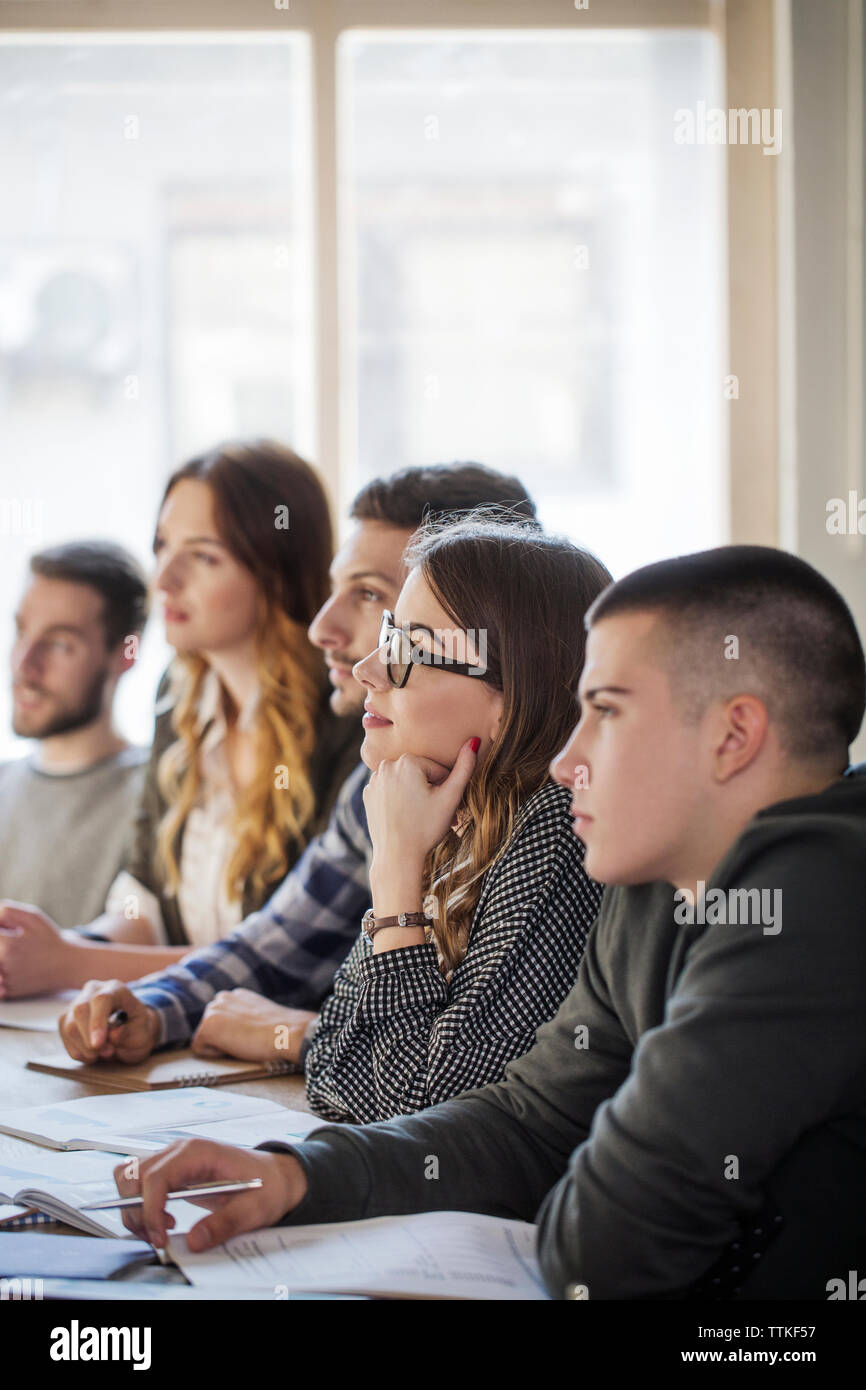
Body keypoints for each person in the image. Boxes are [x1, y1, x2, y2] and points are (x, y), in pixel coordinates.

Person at [106, 545, 866, 1302]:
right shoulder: (654, 882)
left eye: (604, 711)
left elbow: (602, 1252)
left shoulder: (815, 897)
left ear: (733, 736)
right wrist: (295, 1174)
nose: (567, 761)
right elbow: (531, 1123)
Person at [57, 465, 540, 1061]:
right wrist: (152, 1007)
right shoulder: (380, 777)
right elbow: (279, 947)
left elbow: (416, 1070)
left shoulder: (542, 828)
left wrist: (299, 1036)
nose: (324, 629)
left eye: (372, 597)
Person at [0, 440, 358, 997]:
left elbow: (294, 959)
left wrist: (68, 962)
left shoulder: (345, 719)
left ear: (277, 573)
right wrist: (45, 948)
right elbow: (142, 903)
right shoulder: (180, 695)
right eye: (163, 545)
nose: (162, 579)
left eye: (203, 556)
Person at [0, 542, 149, 944]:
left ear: (125, 654)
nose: (23, 665)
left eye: (60, 643)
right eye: (21, 631)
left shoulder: (159, 796)